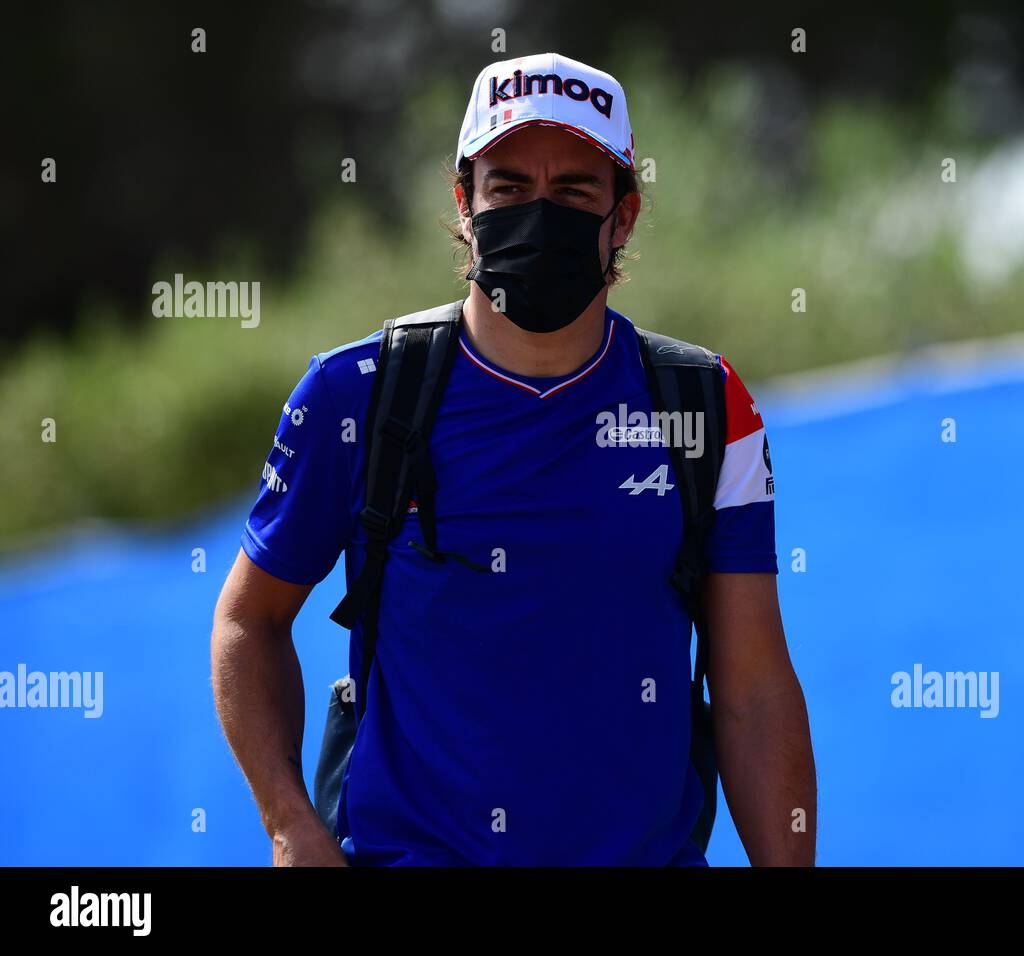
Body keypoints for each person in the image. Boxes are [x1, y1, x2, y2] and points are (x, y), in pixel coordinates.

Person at [211, 51, 816, 866]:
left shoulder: (708, 404)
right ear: (464, 204)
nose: (539, 214)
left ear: (623, 218)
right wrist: (289, 826)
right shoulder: (356, 393)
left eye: (573, 190)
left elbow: (753, 694)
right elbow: (249, 620)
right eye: (508, 188)